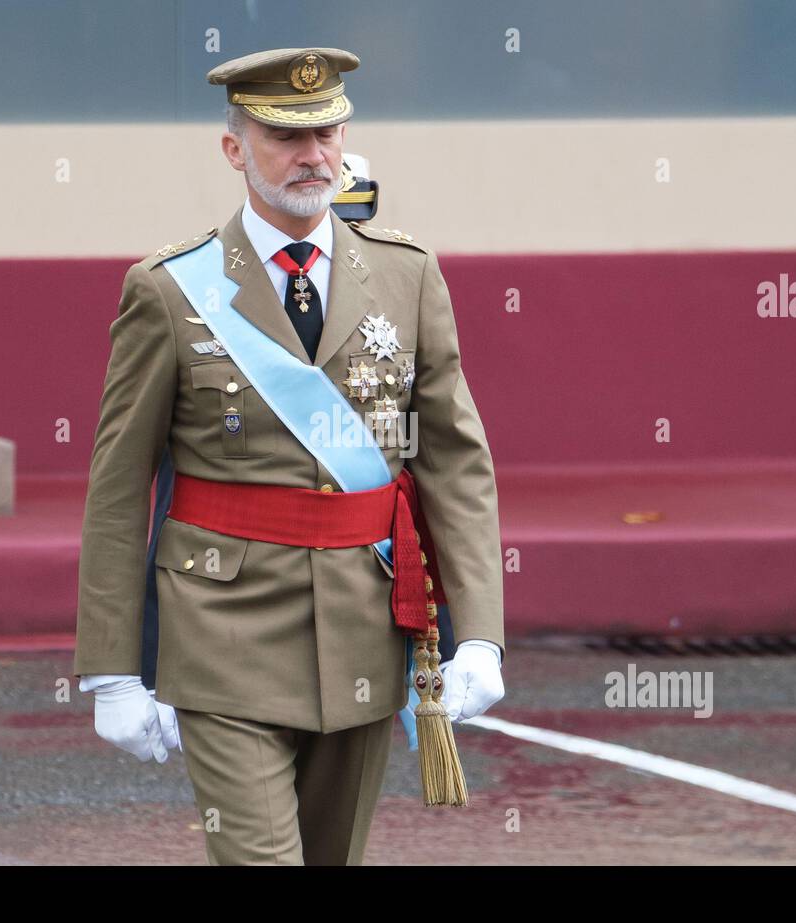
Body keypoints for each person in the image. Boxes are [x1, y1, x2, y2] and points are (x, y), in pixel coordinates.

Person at [72, 46, 505, 865]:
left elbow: (453, 460)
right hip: (223, 633)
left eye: (329, 132)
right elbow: (120, 486)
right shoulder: (170, 291)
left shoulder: (406, 275)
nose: (314, 156)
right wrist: (112, 671)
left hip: (366, 628)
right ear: (234, 149)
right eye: (285, 137)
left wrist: (479, 634)